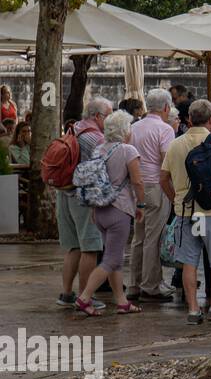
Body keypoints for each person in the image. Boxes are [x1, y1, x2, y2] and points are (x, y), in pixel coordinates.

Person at [160, 99, 211, 325]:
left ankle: (193, 309)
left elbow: (163, 178)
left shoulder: (176, 144)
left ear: (189, 119)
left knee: (189, 261)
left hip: (187, 211)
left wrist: (175, 198)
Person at [70, 110, 145, 315]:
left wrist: (95, 209)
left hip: (100, 210)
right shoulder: (128, 150)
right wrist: (142, 204)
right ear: (125, 130)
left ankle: (122, 301)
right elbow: (137, 181)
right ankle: (84, 298)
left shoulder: (99, 149)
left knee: (116, 258)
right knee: (111, 260)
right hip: (119, 210)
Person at [55, 98, 110, 311]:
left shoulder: (73, 129)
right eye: (108, 115)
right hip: (84, 198)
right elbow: (105, 167)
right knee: (90, 248)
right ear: (97, 116)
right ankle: (85, 296)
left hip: (64, 192)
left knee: (73, 247)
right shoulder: (95, 138)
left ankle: (66, 293)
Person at [125, 89, 175, 302]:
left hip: (136, 186)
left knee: (139, 236)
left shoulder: (133, 127)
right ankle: (151, 285)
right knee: (153, 237)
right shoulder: (164, 130)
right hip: (156, 185)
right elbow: (167, 162)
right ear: (165, 107)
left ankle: (135, 284)